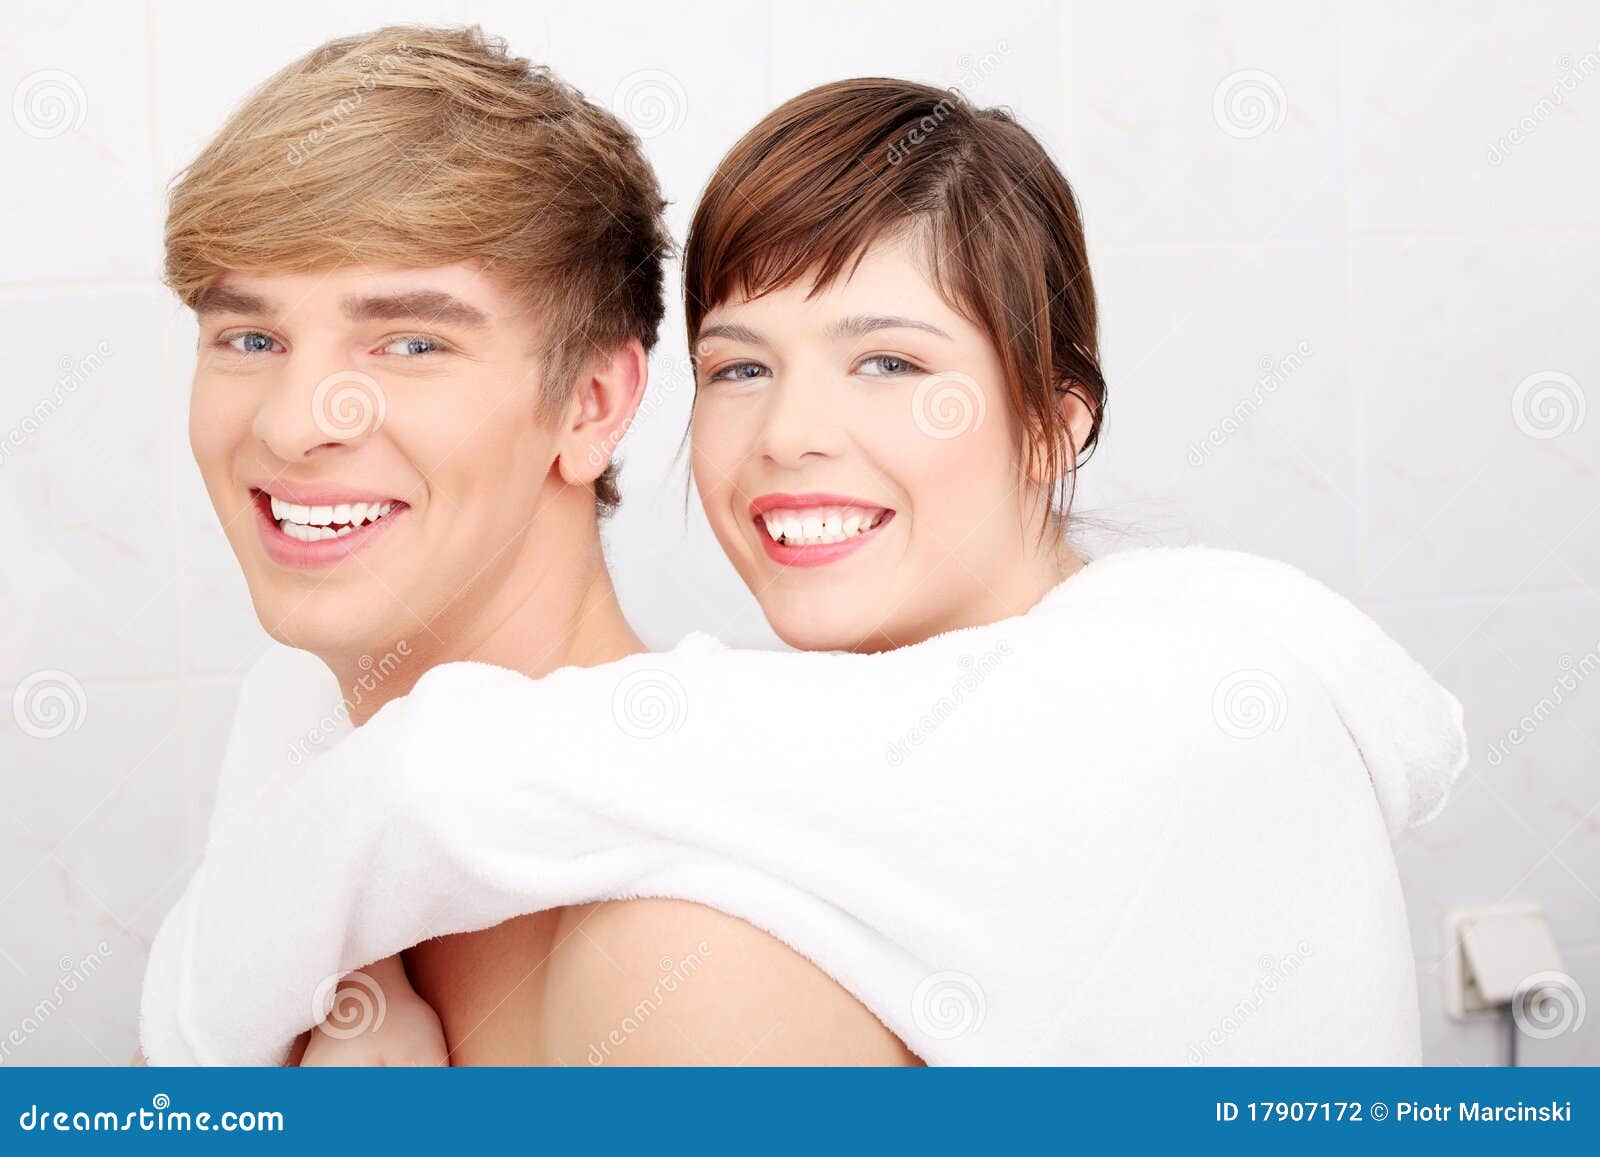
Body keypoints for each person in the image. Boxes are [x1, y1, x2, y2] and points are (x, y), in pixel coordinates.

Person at [141, 61, 1466, 1066]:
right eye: (742, 368)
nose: (793, 435)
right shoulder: (751, 773)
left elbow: (442, 779)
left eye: (410, 341)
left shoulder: (1167, 704)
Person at [138, 25, 916, 1066]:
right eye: (250, 338)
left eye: (410, 343)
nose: (291, 423)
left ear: (591, 405)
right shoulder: (309, 794)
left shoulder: (687, 965)